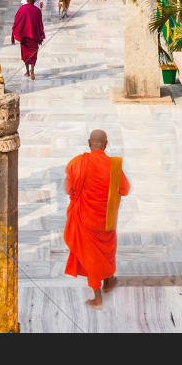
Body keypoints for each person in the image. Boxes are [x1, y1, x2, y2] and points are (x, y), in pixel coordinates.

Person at [63, 129, 130, 307]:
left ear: (89, 142)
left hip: (85, 218)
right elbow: (125, 189)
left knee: (92, 256)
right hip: (107, 219)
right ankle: (108, 281)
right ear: (106, 144)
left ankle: (97, 298)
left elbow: (68, 189)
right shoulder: (114, 166)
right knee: (107, 251)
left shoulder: (77, 163)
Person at [11, 0, 46, 79]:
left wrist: (15, 31)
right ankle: (32, 70)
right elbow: (40, 24)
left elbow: (16, 21)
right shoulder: (37, 10)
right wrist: (41, 35)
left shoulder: (22, 9)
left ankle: (27, 71)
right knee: (33, 54)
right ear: (34, 1)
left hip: (24, 37)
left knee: (25, 54)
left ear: (26, 0)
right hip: (34, 36)